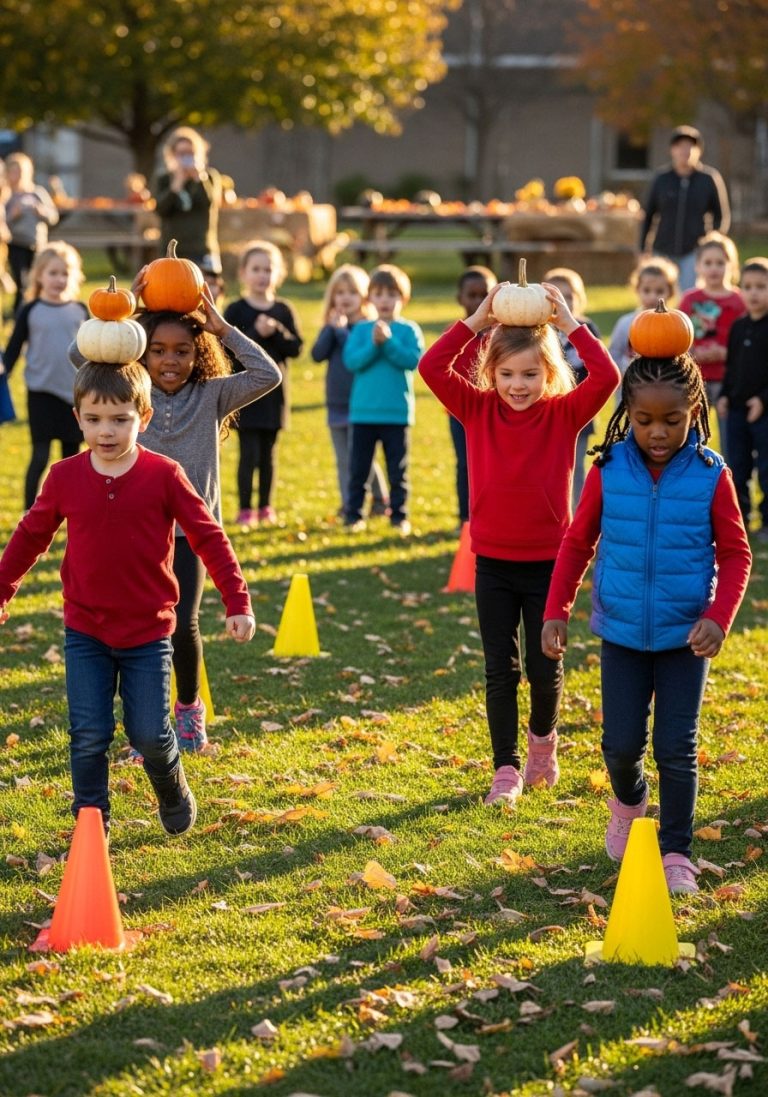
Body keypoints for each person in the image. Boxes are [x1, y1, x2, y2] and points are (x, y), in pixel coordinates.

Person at [0, 360, 256, 837]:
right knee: (88, 734)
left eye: (120, 419)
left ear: (145, 417)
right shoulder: (64, 477)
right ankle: (91, 821)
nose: (106, 431)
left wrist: (236, 601)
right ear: (77, 418)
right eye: (94, 419)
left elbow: (208, 536)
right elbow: (31, 535)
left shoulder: (165, 474)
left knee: (150, 735)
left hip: (148, 633)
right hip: (86, 631)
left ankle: (171, 786)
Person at [543, 354, 751, 894]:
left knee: (676, 748)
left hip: (685, 637)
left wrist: (718, 618)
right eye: (644, 421)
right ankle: (630, 803)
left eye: (672, 421)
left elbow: (735, 554)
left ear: (695, 412)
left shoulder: (712, 475)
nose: (658, 432)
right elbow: (577, 542)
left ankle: (677, 851)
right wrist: (556, 610)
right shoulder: (608, 469)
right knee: (620, 745)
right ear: (627, 415)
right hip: (622, 634)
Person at [419, 280, 620, 805]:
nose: (518, 385)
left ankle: (542, 744)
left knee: (544, 665)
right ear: (491, 372)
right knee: (500, 670)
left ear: (549, 372)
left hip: (551, 565)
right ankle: (505, 769)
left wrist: (569, 324)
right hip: (492, 564)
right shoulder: (476, 409)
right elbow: (430, 367)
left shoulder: (564, 414)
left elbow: (607, 375)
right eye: (507, 374)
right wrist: (476, 322)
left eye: (530, 374)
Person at [70, 282, 281, 755]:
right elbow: (80, 356)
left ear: (197, 353)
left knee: (182, 623)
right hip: (137, 534)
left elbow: (267, 375)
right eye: (158, 349)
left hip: (190, 536)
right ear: (142, 352)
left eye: (182, 351)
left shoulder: (212, 396)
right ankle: (144, 726)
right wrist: (123, 314)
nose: (169, 360)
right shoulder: (133, 395)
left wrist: (223, 330)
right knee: (136, 630)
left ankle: (188, 709)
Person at [224, 240, 303, 527]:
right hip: (246, 395)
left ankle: (266, 507)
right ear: (243, 273)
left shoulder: (283, 311)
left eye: (268, 270)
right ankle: (245, 509)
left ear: (278, 274)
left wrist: (277, 332)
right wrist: (255, 335)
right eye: (256, 269)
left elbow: (296, 348)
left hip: (274, 398)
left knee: (268, 455)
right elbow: (226, 350)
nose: (262, 275)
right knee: (248, 454)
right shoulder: (236, 311)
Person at [3, 242, 87, 511]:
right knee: (40, 456)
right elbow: (13, 350)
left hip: (74, 395)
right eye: (53, 273)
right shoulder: (30, 310)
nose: (59, 279)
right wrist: (4, 371)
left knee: (71, 459)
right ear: (39, 275)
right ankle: (29, 513)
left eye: (65, 273)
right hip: (40, 393)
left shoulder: (80, 311)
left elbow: (92, 351)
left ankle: (71, 512)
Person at [342, 263, 425, 535]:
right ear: (370, 299)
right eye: (378, 294)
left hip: (396, 414)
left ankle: (399, 516)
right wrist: (374, 344)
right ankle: (354, 515)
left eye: (392, 294)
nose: (385, 300)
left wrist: (388, 343)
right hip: (363, 413)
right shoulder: (361, 330)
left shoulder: (409, 330)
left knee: (397, 471)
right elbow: (352, 362)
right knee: (359, 470)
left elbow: (412, 361)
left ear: (403, 298)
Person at [310, 263, 389, 519]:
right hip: (336, 403)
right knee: (344, 459)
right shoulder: (331, 326)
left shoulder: (367, 328)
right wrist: (331, 329)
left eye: (352, 292)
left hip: (361, 403)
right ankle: (349, 504)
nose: (346, 298)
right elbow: (317, 355)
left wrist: (342, 332)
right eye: (340, 292)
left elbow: (354, 356)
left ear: (364, 297)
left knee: (363, 457)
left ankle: (380, 498)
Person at [639, 126, 730, 292]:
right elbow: (648, 215)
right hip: (663, 248)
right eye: (680, 146)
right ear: (672, 150)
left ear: (698, 150)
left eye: (690, 146)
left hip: (693, 250)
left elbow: (720, 215)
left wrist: (712, 244)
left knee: (688, 294)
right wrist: (642, 247)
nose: (685, 150)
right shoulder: (661, 179)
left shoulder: (708, 179)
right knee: (660, 294)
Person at [679, 231, 745, 458]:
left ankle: (730, 472)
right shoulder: (690, 300)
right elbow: (678, 335)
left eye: (720, 262)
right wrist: (693, 352)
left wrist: (726, 352)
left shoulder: (739, 301)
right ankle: (695, 467)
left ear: (731, 265)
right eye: (708, 263)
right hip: (696, 378)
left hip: (729, 380)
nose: (714, 268)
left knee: (731, 437)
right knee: (693, 434)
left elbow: (747, 340)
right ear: (698, 266)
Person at [717, 257, 768, 538]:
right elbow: (732, 367)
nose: (754, 293)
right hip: (737, 409)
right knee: (737, 465)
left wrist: (762, 400)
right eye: (747, 287)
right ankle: (742, 519)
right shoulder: (738, 327)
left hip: (764, 411)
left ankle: (767, 521)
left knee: (766, 467)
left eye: (761, 287)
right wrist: (725, 395)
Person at [544, 267, 602, 507]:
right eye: (557, 297)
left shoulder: (585, 328)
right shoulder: (540, 329)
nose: (564, 302)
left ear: (580, 298)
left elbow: (597, 366)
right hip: (548, 407)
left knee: (575, 467)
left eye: (569, 296)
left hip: (579, 409)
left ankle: (578, 514)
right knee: (548, 466)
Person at [447, 266, 498, 525]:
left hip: (496, 411)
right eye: (472, 295)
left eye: (484, 295)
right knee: (465, 464)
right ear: (460, 298)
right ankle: (465, 517)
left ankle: (492, 513)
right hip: (461, 414)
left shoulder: (503, 334)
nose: (478, 301)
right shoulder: (455, 334)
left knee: (494, 465)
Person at [152, 127, 223, 267]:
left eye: (191, 153)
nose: (186, 157)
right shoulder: (164, 179)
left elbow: (210, 203)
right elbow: (160, 210)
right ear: (172, 155)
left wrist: (199, 179)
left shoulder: (209, 177)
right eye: (182, 153)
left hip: (202, 248)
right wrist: (175, 186)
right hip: (172, 251)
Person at [4, 151, 60, 315]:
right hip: (16, 243)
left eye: (21, 171)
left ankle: (38, 310)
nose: (18, 175)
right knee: (21, 282)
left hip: (37, 243)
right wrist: (12, 215)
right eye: (14, 172)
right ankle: (18, 313)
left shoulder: (37, 192)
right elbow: (3, 222)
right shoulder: (7, 196)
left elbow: (53, 217)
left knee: (38, 280)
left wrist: (41, 212)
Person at [608, 257, 679, 382]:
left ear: (670, 292)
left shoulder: (675, 324)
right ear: (637, 290)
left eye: (660, 291)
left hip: (664, 384)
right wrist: (620, 375)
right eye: (647, 290)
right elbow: (614, 354)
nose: (653, 296)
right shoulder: (626, 323)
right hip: (631, 384)